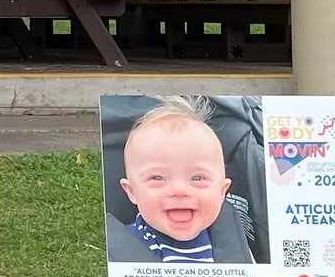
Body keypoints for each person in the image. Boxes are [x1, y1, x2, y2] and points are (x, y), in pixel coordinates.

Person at [105, 97, 256, 265]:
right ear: (132, 191)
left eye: (197, 178)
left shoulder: (235, 242)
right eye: (157, 178)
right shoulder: (117, 250)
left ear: (222, 191)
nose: (179, 190)